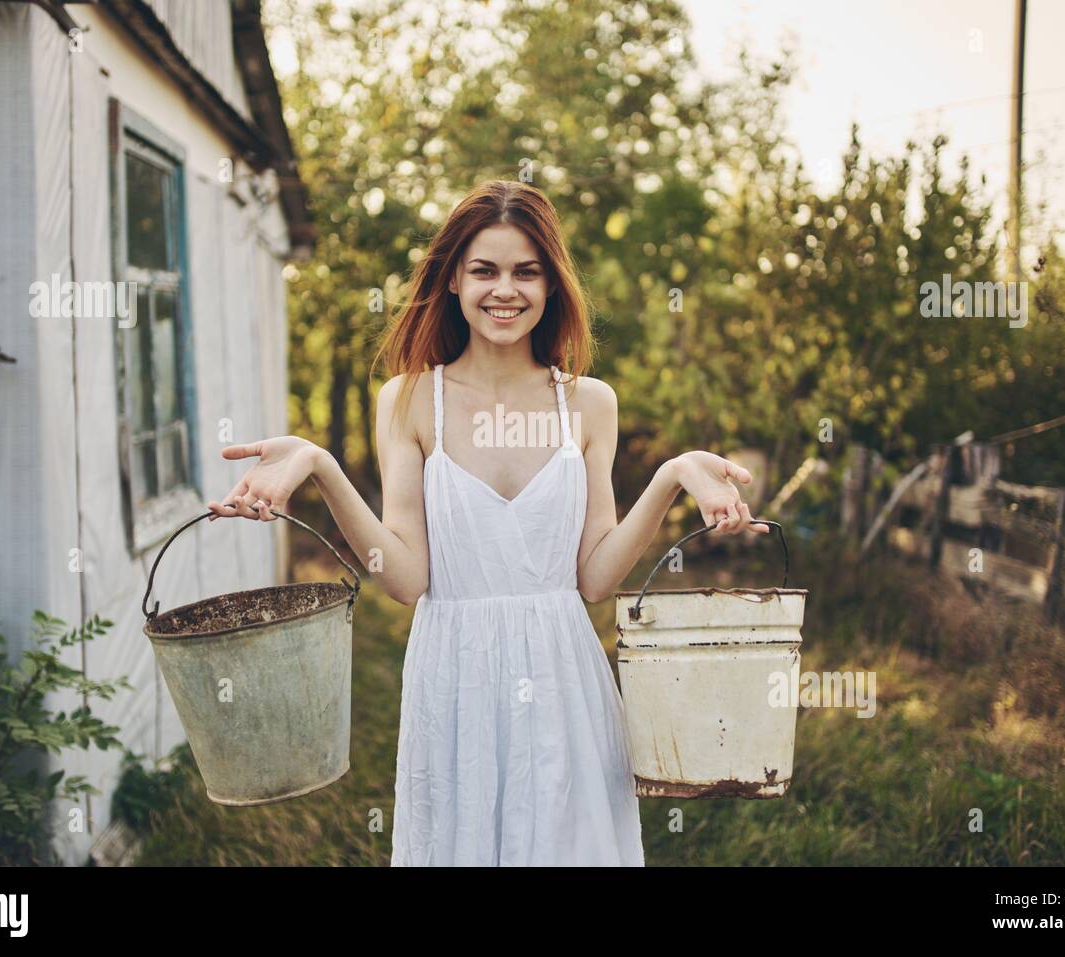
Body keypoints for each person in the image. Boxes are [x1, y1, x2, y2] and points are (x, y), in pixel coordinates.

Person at [206, 179, 770, 866]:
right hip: (456, 680)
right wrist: (322, 466)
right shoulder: (411, 399)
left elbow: (593, 576)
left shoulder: (589, 403)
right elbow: (406, 577)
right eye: (485, 270)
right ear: (452, 280)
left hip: (565, 677)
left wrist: (669, 477)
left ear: (552, 284)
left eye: (526, 271)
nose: (506, 290)